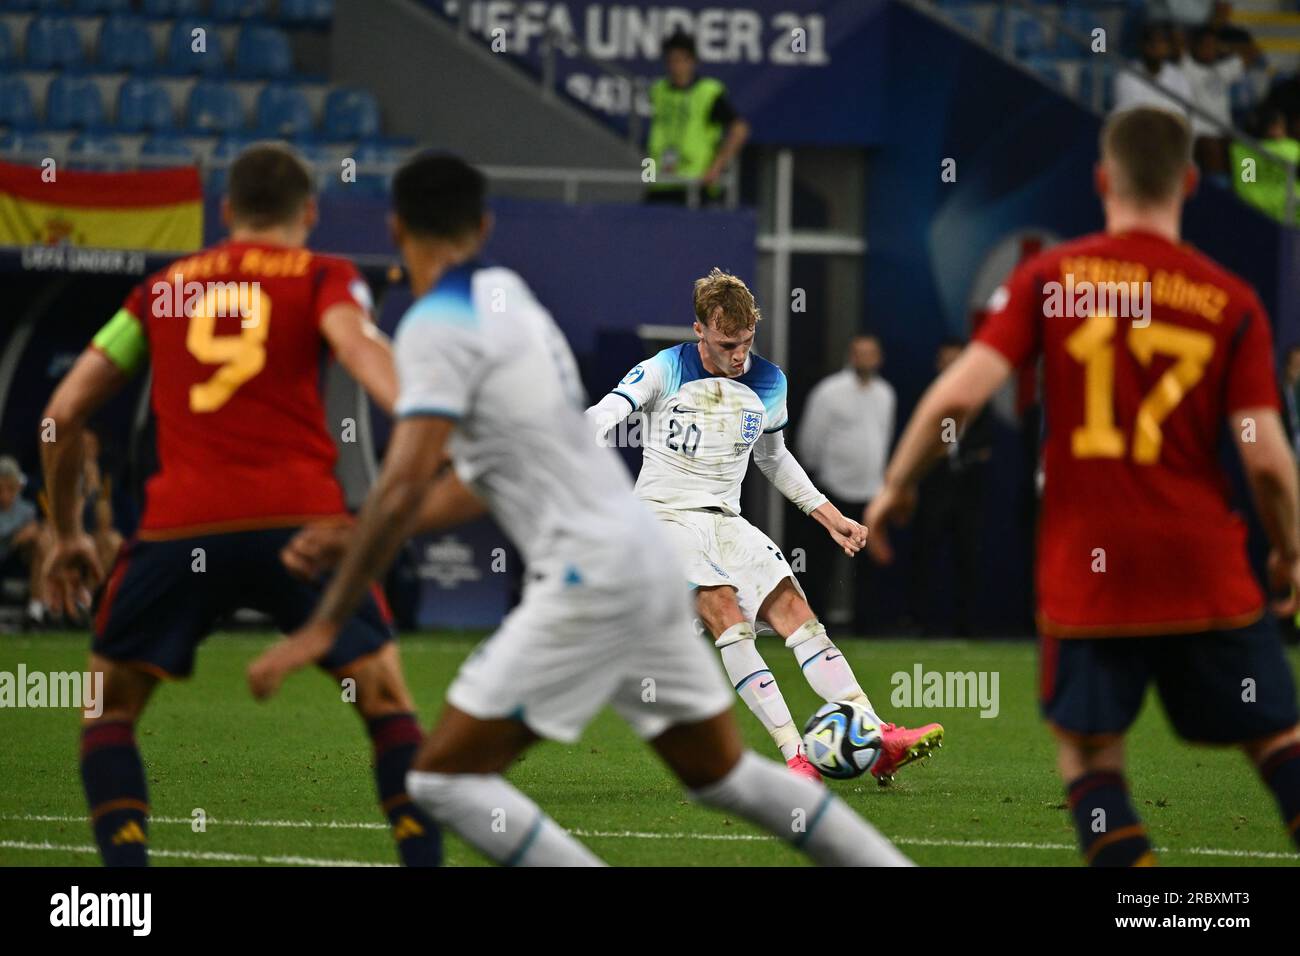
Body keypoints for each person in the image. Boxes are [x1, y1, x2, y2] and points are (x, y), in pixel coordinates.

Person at [246, 153, 911, 868]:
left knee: (440, 778)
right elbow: (498, 468)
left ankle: (853, 732)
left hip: (589, 572)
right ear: (484, 225)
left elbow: (408, 479)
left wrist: (324, 617)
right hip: (641, 549)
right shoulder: (512, 302)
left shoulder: (434, 326)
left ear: (396, 226)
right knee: (726, 776)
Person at [868, 107, 1300, 864]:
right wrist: (1291, 553)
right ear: (1191, 183)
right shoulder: (1229, 300)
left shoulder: (1051, 279)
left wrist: (897, 485)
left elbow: (959, 396)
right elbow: (1265, 457)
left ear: (1102, 180)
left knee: (1092, 765)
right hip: (1201, 565)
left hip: (1089, 574)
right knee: (1277, 740)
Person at [39, 143, 442, 868]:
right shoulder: (324, 275)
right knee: (386, 704)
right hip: (301, 525)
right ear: (310, 213)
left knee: (109, 710)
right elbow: (359, 351)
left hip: (179, 523)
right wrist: (420, 416)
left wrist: (65, 531)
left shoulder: (160, 290)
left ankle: (125, 892)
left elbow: (63, 414)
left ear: (224, 213)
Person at [587, 270, 942, 784]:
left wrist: (830, 516)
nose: (738, 354)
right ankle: (797, 757)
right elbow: (605, 414)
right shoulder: (664, 368)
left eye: (747, 341)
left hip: (726, 519)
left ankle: (876, 735)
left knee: (796, 611)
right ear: (699, 331)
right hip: (663, 516)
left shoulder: (769, 381)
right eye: (727, 343)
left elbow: (774, 459)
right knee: (725, 609)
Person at [796, 334, 895, 635]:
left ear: (879, 358)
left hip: (871, 492)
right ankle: (813, 624)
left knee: (867, 566)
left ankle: (868, 626)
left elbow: (884, 437)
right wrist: (817, 479)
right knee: (822, 563)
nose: (866, 359)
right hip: (833, 491)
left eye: (871, 353)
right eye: (860, 353)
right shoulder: (829, 392)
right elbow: (809, 440)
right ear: (851, 356)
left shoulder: (885, 394)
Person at [902, 339, 993, 637]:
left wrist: (962, 457)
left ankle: (967, 626)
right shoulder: (926, 398)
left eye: (958, 361)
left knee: (968, 560)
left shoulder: (981, 400)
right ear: (939, 364)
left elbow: (986, 448)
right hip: (932, 491)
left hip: (969, 495)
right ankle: (919, 623)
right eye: (947, 361)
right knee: (924, 558)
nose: (952, 367)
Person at [644, 30, 749, 206]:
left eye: (679, 60)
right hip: (660, 183)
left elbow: (740, 129)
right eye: (670, 60)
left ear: (692, 61)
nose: (674, 67)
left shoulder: (708, 92)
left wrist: (716, 168)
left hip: (696, 184)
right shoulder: (659, 90)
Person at [1113, 24, 1194, 119]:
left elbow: (1181, 114)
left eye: (1161, 42)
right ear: (1142, 45)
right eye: (1151, 42)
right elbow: (1128, 115)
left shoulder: (1179, 77)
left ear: (1168, 48)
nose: (1156, 47)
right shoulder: (1127, 76)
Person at [0, 455, 43, 624]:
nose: (4, 494)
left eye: (10, 488)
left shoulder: (27, 509)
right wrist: (17, 535)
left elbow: (35, 530)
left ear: (18, 487)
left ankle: (37, 608)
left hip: (15, 560)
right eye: (1, 488)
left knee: (39, 541)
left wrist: (32, 531)